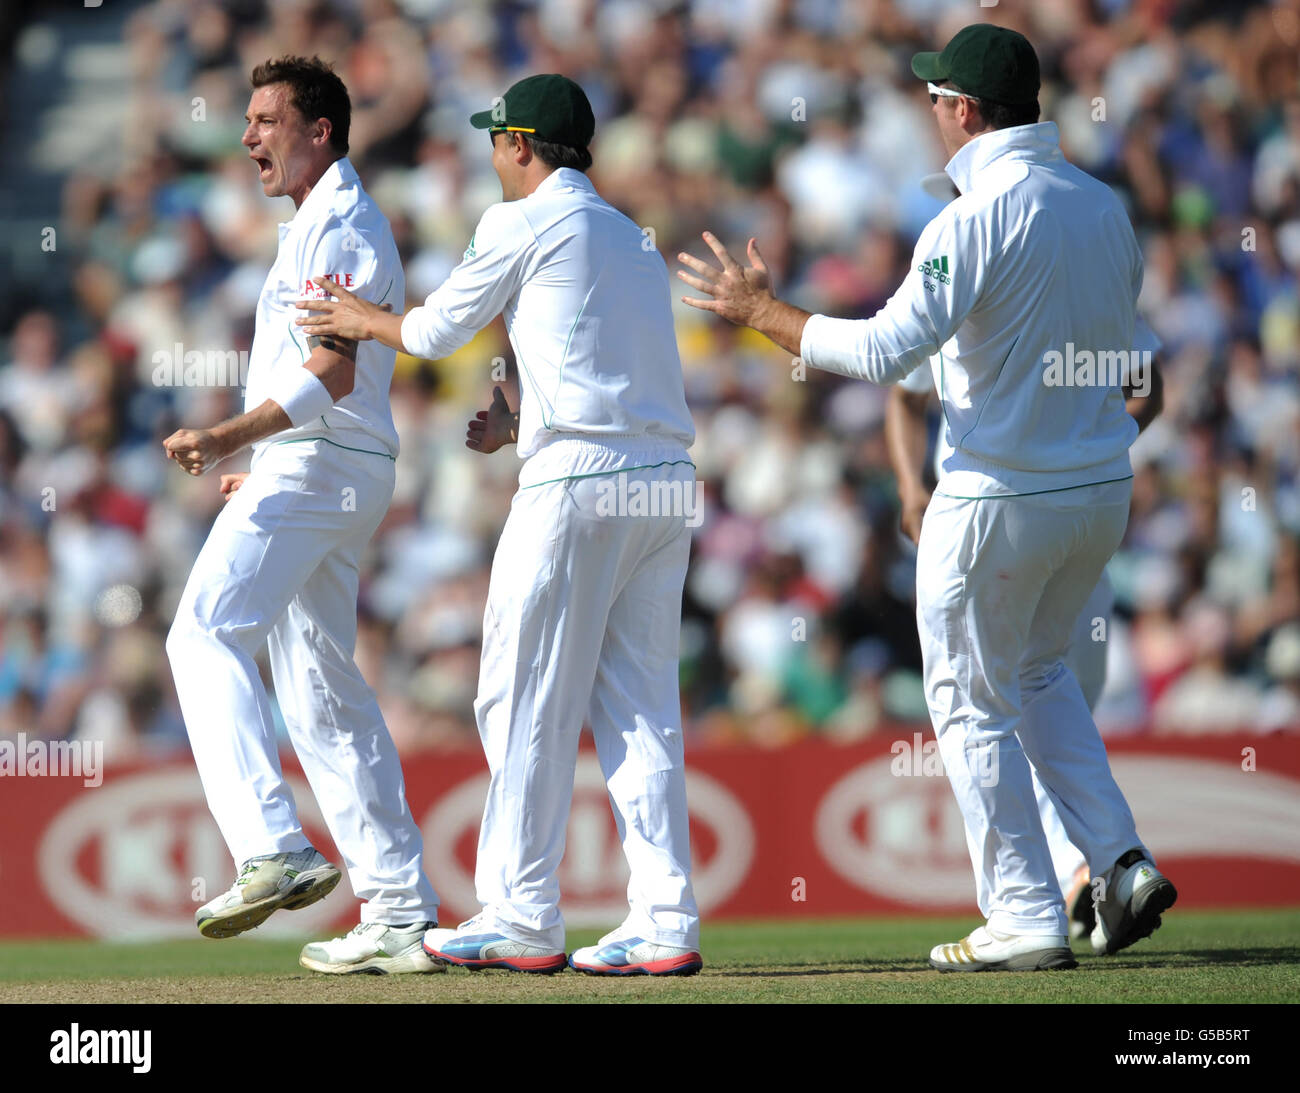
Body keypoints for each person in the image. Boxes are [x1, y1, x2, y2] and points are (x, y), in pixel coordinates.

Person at [677, 24, 1177, 971]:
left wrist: (759, 313)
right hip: (1096, 493)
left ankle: (1024, 912)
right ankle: (1118, 859)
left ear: (966, 111)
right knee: (1039, 675)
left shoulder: (972, 217)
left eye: (937, 97)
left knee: (969, 700)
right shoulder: (1101, 206)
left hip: (998, 496)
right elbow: (1133, 368)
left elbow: (881, 353)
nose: (930, 111)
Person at [296, 73, 703, 976]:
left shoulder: (519, 220)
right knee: (642, 709)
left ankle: (521, 911)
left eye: (495, 138)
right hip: (662, 480)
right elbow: (615, 367)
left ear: (518, 144)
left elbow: (434, 335)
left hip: (577, 484)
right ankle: (666, 918)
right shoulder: (630, 235)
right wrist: (524, 420)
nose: (490, 153)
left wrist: (358, 315)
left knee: (518, 694)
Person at [163, 55, 441, 975]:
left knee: (202, 632)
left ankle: (271, 846)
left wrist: (231, 437)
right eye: (246, 119)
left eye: (265, 119)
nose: (247, 135)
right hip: (320, 466)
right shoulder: (316, 222)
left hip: (322, 466)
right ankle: (399, 912)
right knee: (323, 696)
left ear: (319, 131)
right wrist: (268, 461)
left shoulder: (344, 222)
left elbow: (335, 371)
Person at [887, 284, 1165, 941]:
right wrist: (1093, 447)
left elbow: (883, 362)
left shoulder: (965, 270)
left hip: (990, 518)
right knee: (1047, 694)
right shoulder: (1089, 262)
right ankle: (1113, 863)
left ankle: (1047, 897)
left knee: (996, 704)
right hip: (1082, 518)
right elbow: (1149, 387)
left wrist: (776, 317)